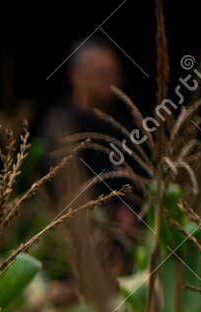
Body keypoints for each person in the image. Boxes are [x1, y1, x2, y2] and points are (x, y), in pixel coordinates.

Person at [44, 39, 138, 235]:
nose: (112, 83)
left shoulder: (118, 127)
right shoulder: (59, 125)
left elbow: (129, 180)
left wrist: (127, 211)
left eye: (115, 75)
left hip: (115, 239)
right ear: (76, 76)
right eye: (102, 74)